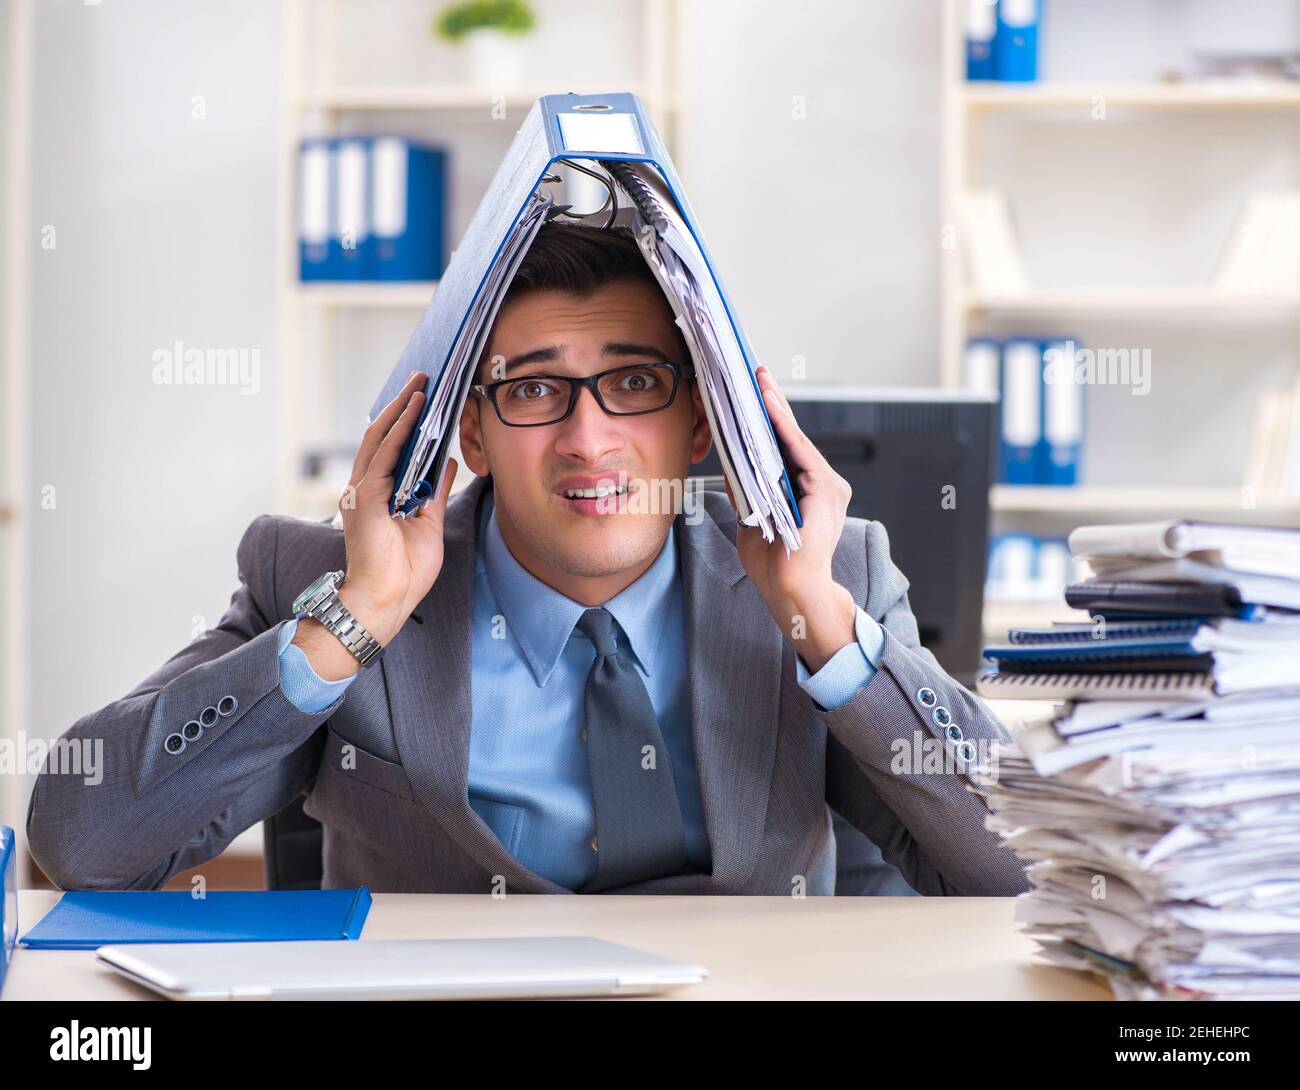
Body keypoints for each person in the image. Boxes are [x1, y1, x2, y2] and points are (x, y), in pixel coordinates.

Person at [28, 224, 1027, 896]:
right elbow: (82, 842)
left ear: (700, 422)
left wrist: (818, 619)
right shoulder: (326, 578)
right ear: (467, 430)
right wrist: (355, 618)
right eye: (536, 391)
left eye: (633, 381)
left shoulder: (830, 578)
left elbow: (1024, 870)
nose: (589, 442)